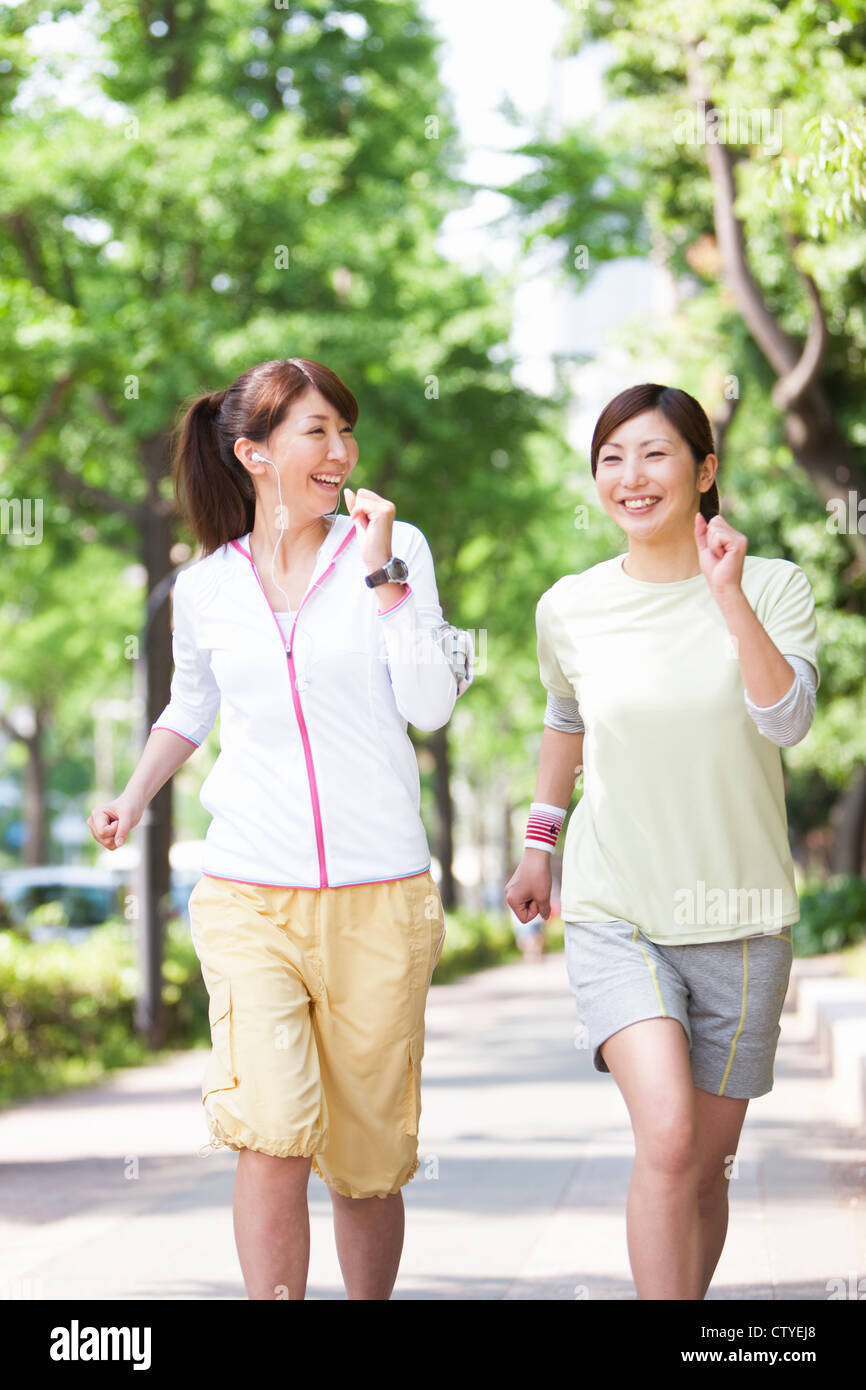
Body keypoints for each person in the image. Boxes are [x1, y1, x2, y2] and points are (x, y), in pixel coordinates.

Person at [87, 356, 472, 1300]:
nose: (340, 451)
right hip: (249, 887)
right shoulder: (207, 587)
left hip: (381, 892)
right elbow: (190, 707)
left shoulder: (395, 547)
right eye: (316, 432)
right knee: (271, 1128)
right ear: (254, 453)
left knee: (368, 1159)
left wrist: (385, 577)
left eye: (346, 430)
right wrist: (134, 796)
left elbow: (430, 706)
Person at [506, 383, 819, 1300]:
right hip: (618, 909)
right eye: (611, 458)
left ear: (704, 470)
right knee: (670, 1137)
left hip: (744, 914)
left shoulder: (775, 585)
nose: (631, 477)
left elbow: (787, 720)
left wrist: (726, 597)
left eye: (654, 454)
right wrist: (539, 843)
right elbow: (565, 722)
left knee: (707, 1167)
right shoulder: (569, 607)